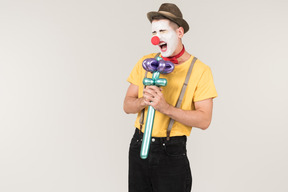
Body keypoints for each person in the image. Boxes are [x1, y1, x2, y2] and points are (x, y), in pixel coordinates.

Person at [123, 3, 218, 192]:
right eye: (153, 32)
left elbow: (204, 119)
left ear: (180, 32)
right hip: (139, 144)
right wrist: (143, 101)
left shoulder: (200, 70)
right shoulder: (145, 62)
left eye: (163, 31)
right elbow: (127, 105)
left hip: (171, 150)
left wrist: (165, 108)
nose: (157, 37)